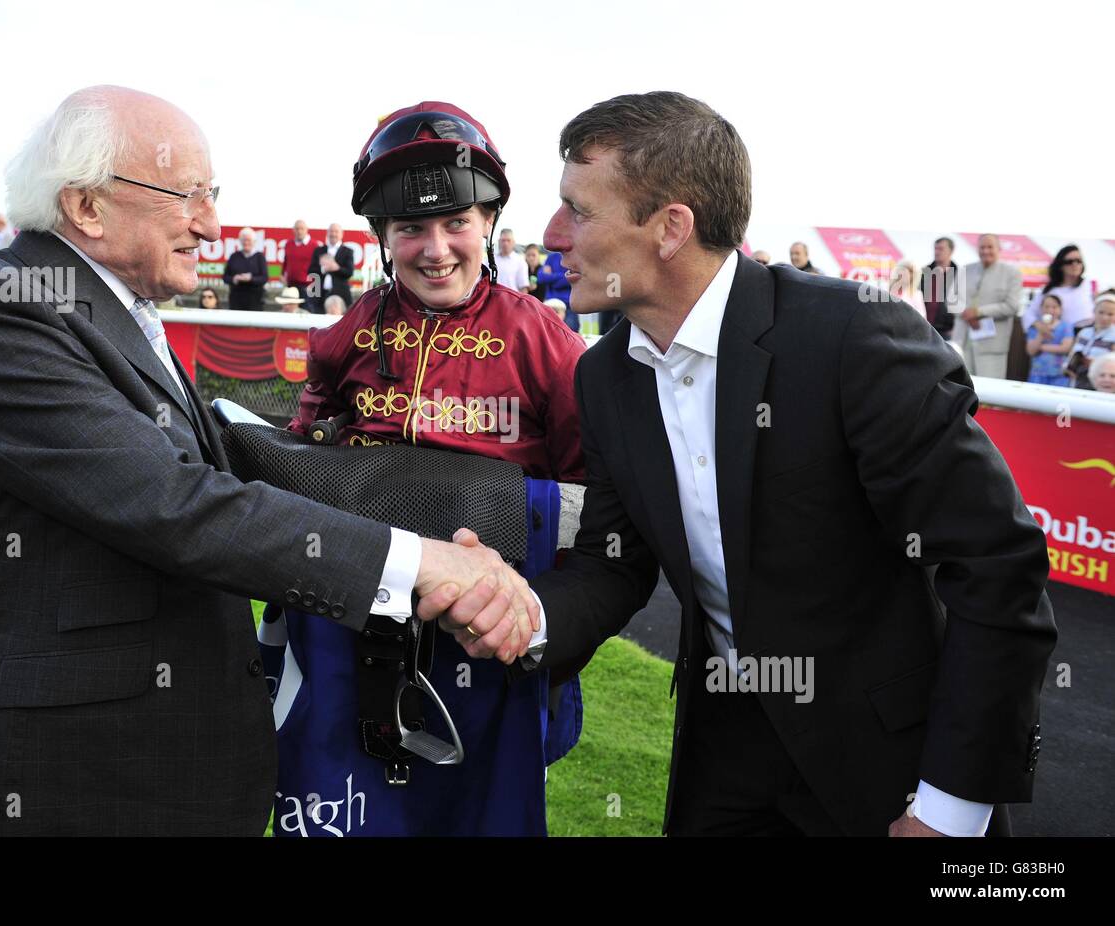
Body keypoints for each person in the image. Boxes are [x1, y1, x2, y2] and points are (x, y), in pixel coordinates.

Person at [0, 85, 536, 837]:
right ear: (87, 207)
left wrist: (516, 510)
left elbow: (245, 465)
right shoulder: (5, 307)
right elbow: (175, 505)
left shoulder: (105, 305)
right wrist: (425, 567)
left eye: (211, 194)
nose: (211, 224)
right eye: (187, 197)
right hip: (35, 776)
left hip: (117, 767)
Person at [422, 90, 1056, 838]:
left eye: (579, 210)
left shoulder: (853, 336)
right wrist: (518, 616)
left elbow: (997, 563)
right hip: (723, 760)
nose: (553, 235)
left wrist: (950, 810)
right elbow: (612, 564)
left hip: (891, 766)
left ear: (670, 228)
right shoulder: (605, 376)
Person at [277, 100, 587, 837]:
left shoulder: (545, 338)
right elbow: (305, 462)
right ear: (383, 236)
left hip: (489, 638)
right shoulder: (348, 334)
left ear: (488, 223)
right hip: (358, 626)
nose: (436, 248)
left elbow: (589, 501)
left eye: (457, 223)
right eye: (411, 227)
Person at [951, 234, 1023, 379]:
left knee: (990, 392)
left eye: (990, 247)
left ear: (999, 249)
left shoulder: (1012, 273)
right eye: (982, 247)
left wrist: (979, 312)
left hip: (991, 346)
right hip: (963, 342)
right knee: (962, 390)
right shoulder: (965, 270)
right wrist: (966, 313)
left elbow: (1012, 306)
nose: (986, 251)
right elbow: (951, 300)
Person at [1025, 244, 1095, 328]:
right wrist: (1039, 326)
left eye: (1078, 261)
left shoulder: (1089, 285)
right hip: (1061, 337)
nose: (1075, 264)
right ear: (1060, 265)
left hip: (1087, 336)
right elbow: (1029, 314)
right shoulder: (1049, 290)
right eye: (1069, 262)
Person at [1067, 291, 1115, 389]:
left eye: (1110, 314)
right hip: (1077, 380)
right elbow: (1072, 353)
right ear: (1094, 312)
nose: (1105, 317)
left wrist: (1096, 364)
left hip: (1101, 385)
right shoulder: (1084, 332)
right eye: (1101, 312)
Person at [1025, 293, 1076, 386]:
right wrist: (1041, 333)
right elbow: (1031, 351)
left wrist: (1042, 347)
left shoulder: (1066, 327)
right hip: (1037, 374)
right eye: (1046, 307)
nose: (1050, 310)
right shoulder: (1034, 328)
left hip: (1059, 375)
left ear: (1060, 310)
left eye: (1054, 307)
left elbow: (1065, 348)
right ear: (1041, 309)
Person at [307, 222, 355, 309]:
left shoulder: (348, 251)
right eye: (331, 231)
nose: (333, 234)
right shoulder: (319, 250)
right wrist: (323, 268)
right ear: (327, 233)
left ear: (341, 234)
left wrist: (336, 268)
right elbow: (311, 271)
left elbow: (349, 272)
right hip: (319, 294)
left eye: (336, 231)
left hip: (340, 294)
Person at [921, 236, 958, 340]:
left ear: (951, 251)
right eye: (935, 248)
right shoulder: (923, 273)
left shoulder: (959, 275)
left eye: (941, 249)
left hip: (946, 331)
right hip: (923, 327)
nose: (937, 252)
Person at [223, 227, 268, 310]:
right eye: (244, 240)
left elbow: (264, 278)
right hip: (236, 300)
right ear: (240, 241)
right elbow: (225, 277)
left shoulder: (260, 257)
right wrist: (234, 278)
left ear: (254, 241)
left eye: (249, 240)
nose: (246, 242)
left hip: (255, 301)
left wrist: (251, 278)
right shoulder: (234, 256)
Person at [537, 249, 578, 332]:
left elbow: (573, 278)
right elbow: (541, 278)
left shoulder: (573, 257)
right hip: (551, 305)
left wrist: (551, 278)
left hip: (568, 305)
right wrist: (564, 276)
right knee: (549, 334)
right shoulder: (551, 257)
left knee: (571, 334)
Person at [280, 219, 313, 305]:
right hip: (291, 286)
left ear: (306, 230)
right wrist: (282, 275)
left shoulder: (314, 245)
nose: (299, 231)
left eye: (302, 229)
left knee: (306, 311)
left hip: (307, 287)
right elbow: (286, 262)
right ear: (293, 230)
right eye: (297, 229)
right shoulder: (288, 244)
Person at [492, 227, 531, 293]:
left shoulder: (520, 262)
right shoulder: (490, 260)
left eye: (508, 240)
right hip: (493, 300)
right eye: (503, 240)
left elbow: (523, 288)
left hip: (512, 302)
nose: (505, 243)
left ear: (513, 242)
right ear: (499, 241)